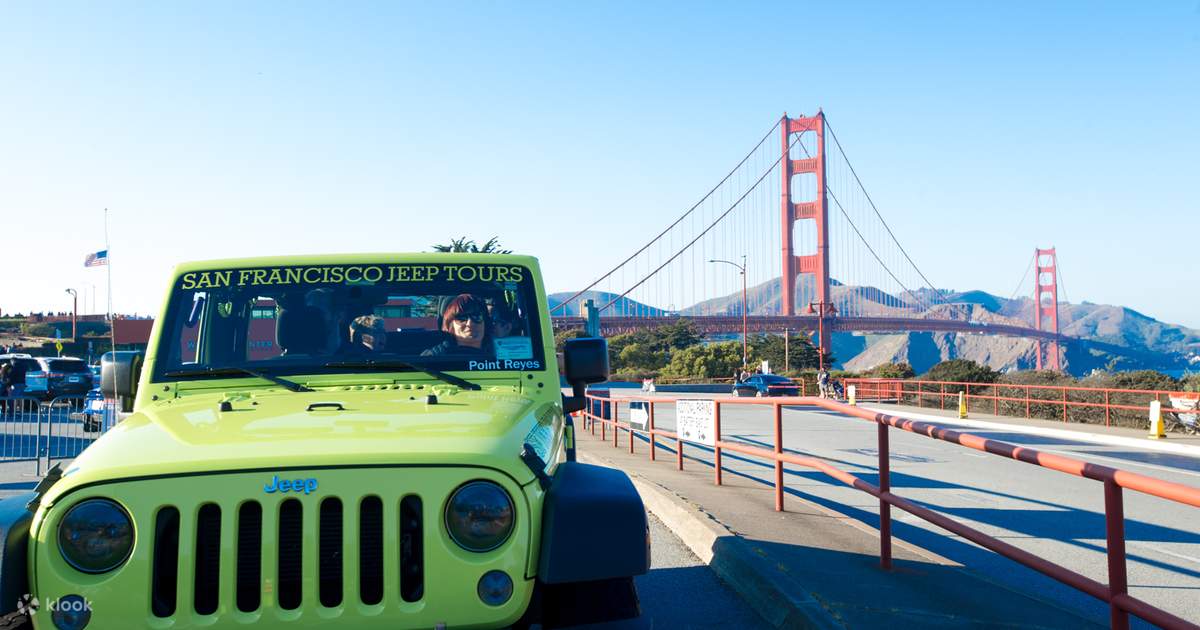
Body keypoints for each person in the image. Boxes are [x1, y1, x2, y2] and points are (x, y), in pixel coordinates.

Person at [422, 294, 489, 356]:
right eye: (462, 318)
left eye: (476, 316)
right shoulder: (434, 356)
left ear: (485, 323)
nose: (470, 323)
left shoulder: (497, 352)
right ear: (450, 326)